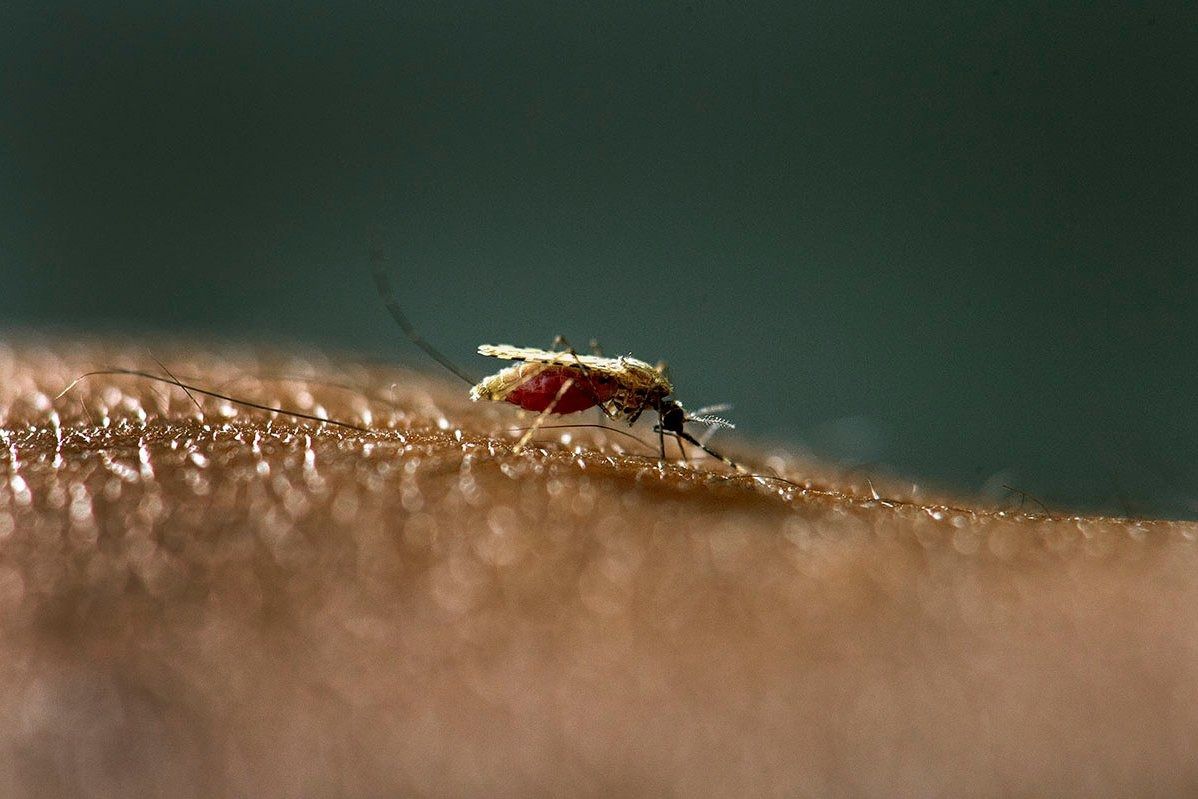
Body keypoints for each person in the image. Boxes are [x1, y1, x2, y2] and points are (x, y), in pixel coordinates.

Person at [0, 341, 1194, 797]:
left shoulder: (641, 401)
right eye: (666, 421)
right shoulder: (620, 397)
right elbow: (595, 390)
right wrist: (551, 392)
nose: (667, 430)